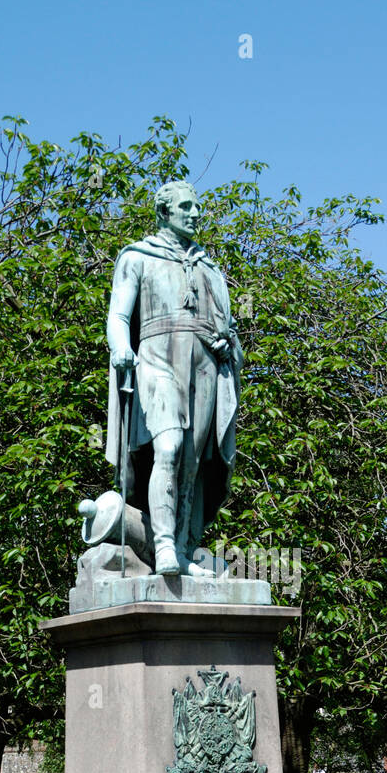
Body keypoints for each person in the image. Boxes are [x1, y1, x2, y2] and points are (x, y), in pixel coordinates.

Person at [105, 181, 242, 576]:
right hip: (155, 358)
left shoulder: (209, 267)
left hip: (203, 366)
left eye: (197, 206)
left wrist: (225, 343)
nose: (195, 213)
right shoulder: (137, 257)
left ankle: (182, 550)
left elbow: (226, 328)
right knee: (168, 446)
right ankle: (163, 545)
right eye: (186, 206)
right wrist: (120, 348)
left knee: (192, 464)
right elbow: (117, 316)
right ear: (164, 212)